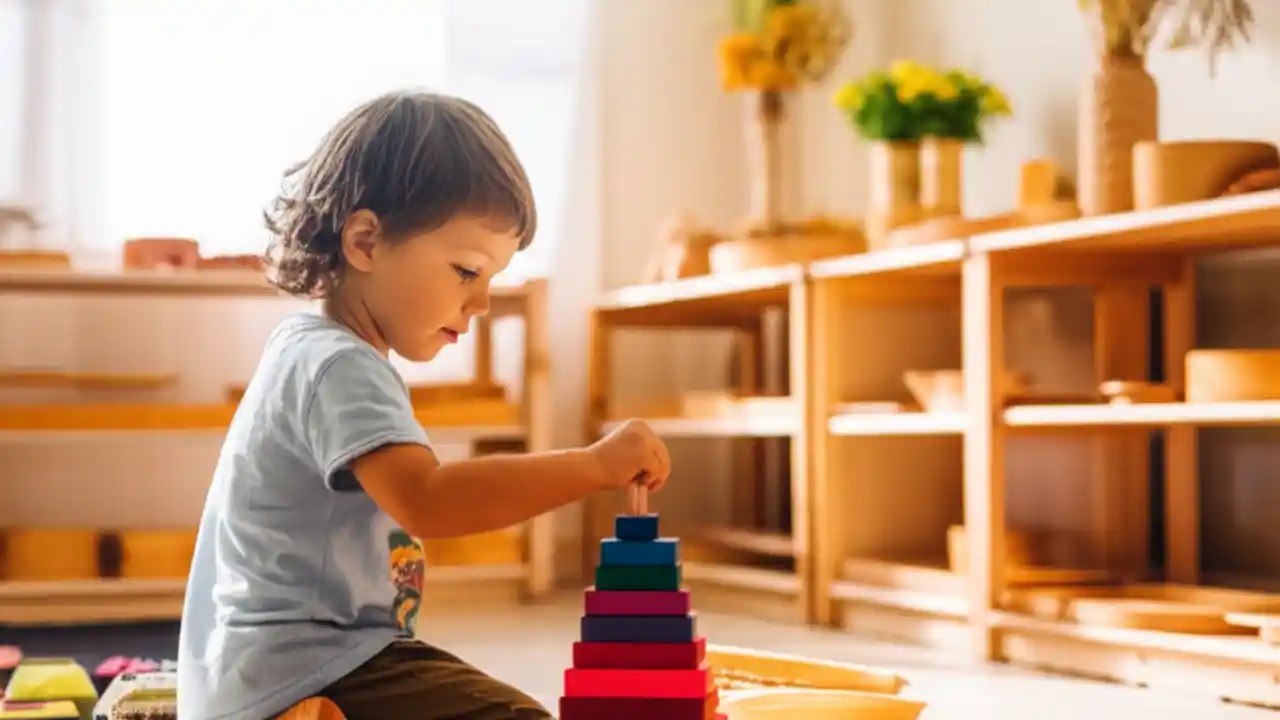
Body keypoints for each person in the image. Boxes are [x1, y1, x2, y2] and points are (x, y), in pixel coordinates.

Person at [176, 90, 671, 720]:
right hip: (304, 667)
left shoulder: (307, 347)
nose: (482, 303)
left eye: (492, 280)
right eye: (466, 272)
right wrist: (596, 466)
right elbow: (429, 500)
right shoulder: (339, 364)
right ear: (365, 242)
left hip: (279, 668)